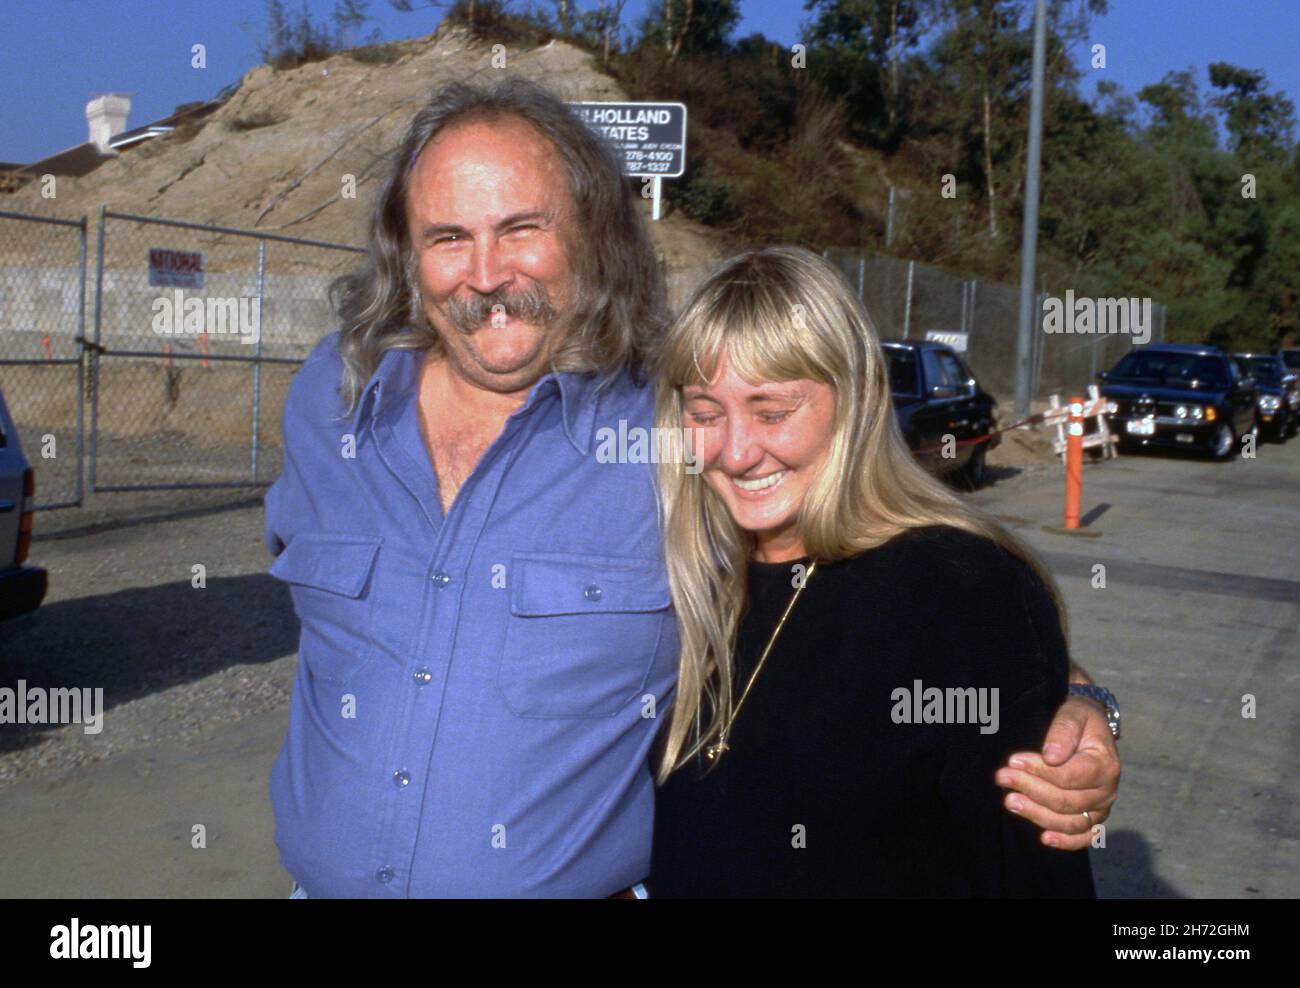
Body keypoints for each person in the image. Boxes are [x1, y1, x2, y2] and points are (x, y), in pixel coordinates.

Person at [264, 77, 1119, 898]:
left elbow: (868, 579)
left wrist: (1069, 699)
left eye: (521, 228)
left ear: (592, 237)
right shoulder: (327, 405)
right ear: (406, 256)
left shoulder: (671, 427)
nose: (485, 274)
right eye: (447, 236)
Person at [648, 245, 1099, 896]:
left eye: (773, 411)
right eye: (706, 413)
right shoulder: (701, 572)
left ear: (856, 399)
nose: (737, 452)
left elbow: (1034, 880)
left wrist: (1088, 707)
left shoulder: (961, 590)